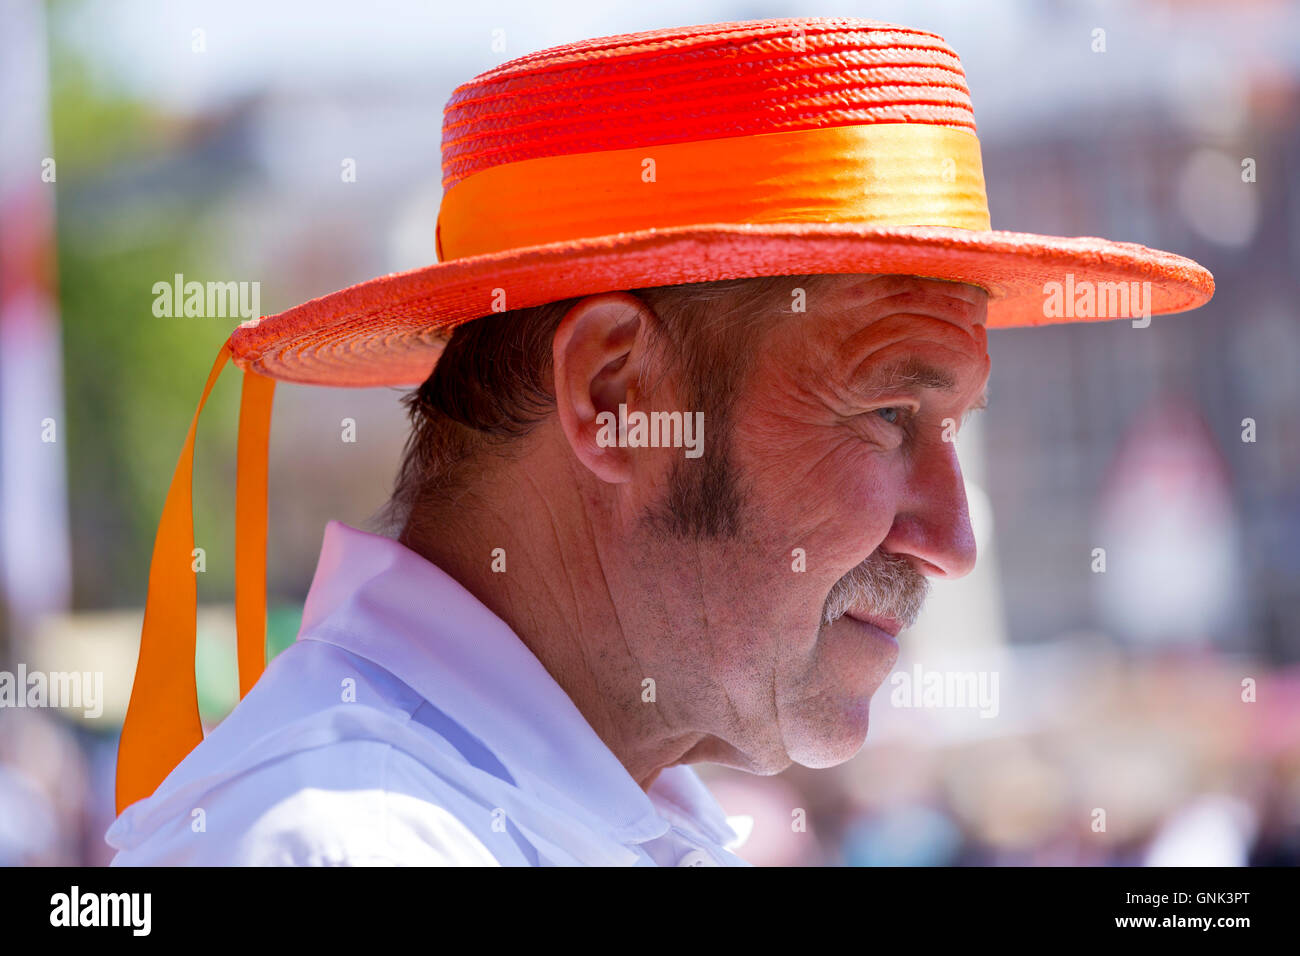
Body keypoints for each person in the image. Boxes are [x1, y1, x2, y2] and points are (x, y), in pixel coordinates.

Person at [107, 16, 1213, 866]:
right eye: (888, 412)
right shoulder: (341, 843)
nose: (952, 536)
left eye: (951, 428)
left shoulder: (571, 813)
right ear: (612, 393)